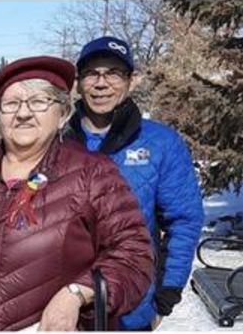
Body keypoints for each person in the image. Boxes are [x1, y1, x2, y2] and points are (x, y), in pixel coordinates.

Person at [0, 56, 154, 330]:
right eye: (11, 104)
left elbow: (134, 256)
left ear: (62, 114)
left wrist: (78, 293)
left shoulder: (93, 173)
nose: (23, 113)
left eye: (38, 101)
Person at [68, 36, 205, 330]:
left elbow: (185, 220)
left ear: (133, 80)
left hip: (133, 306)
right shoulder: (58, 144)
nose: (101, 83)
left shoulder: (162, 142)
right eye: (92, 73)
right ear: (79, 82)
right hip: (67, 308)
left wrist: (167, 292)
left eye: (114, 73)